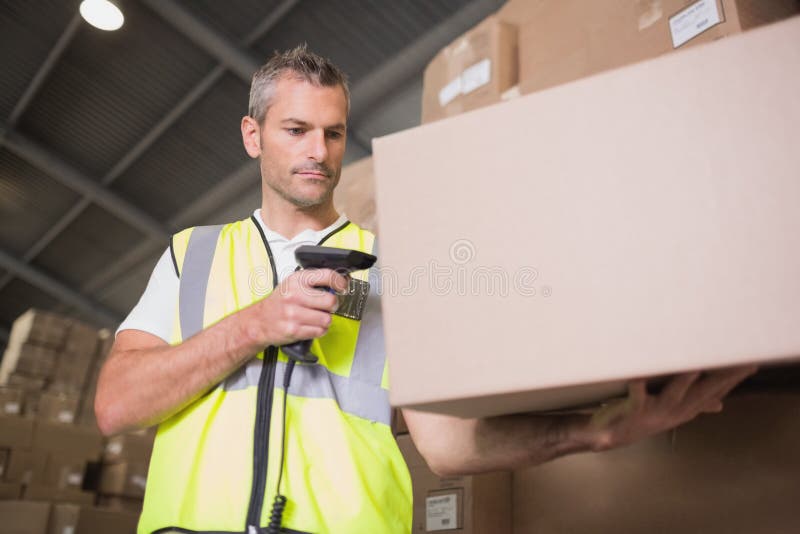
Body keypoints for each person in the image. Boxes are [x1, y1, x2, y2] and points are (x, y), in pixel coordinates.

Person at [95, 46, 757, 534]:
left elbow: (446, 444)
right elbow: (116, 404)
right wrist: (253, 326)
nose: (318, 152)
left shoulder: (394, 267)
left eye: (333, 133)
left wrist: (594, 433)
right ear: (253, 135)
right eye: (295, 130)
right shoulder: (194, 255)